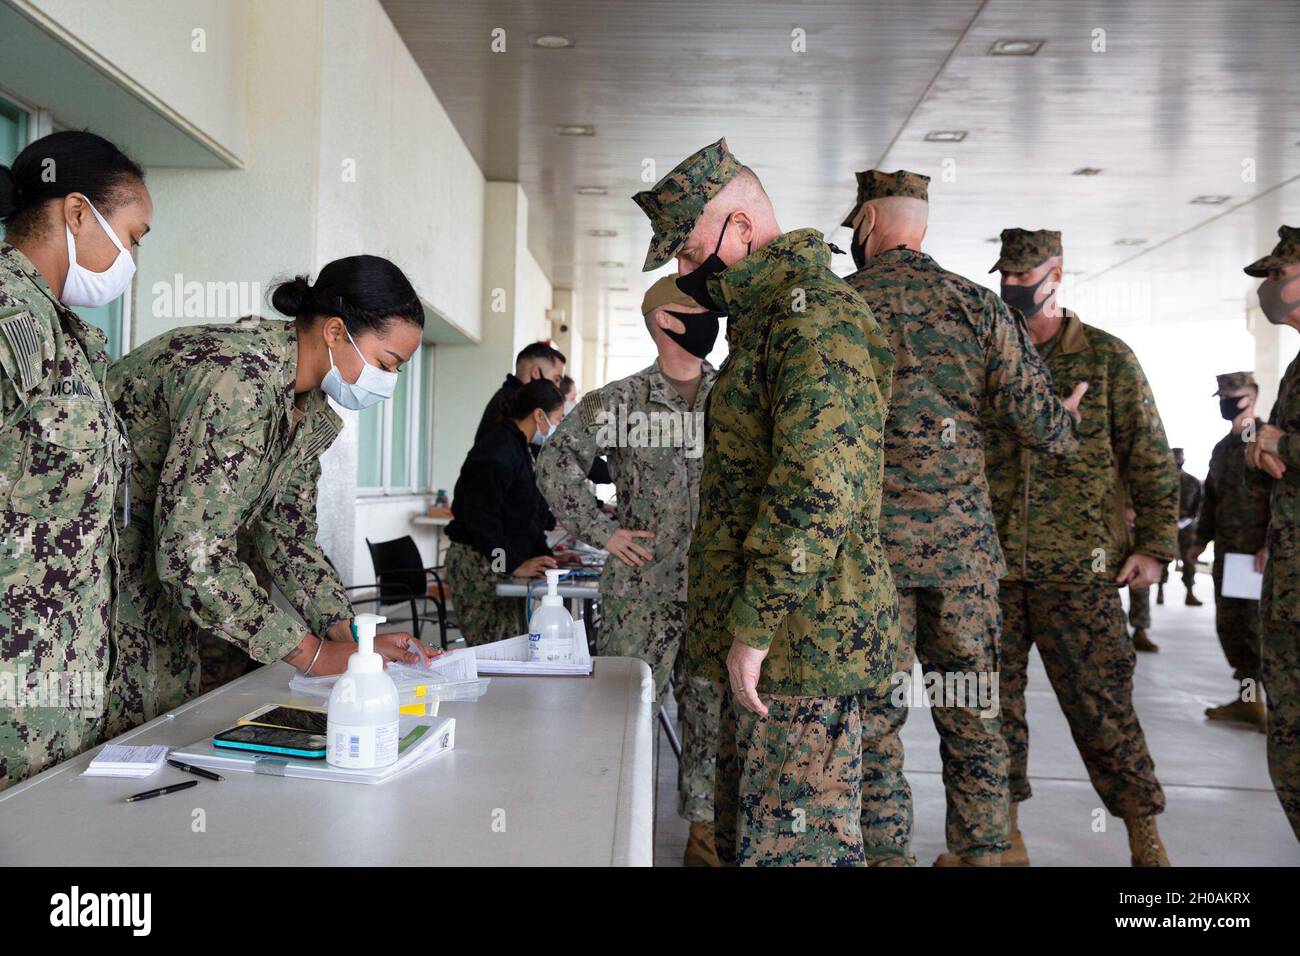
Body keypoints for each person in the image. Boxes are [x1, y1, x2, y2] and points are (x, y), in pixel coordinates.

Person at [634, 138, 899, 866]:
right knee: (753, 840)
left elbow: (819, 488)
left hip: (801, 644)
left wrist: (752, 626)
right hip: (774, 643)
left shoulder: (811, 320)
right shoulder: (770, 317)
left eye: (689, 253)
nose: (687, 275)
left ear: (742, 230)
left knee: (794, 850)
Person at [840, 169, 1083, 866]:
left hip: (868, 559)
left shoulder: (839, 305)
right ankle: (981, 855)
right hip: (964, 560)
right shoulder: (979, 307)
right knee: (974, 713)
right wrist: (1059, 416)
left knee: (875, 722)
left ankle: (886, 858)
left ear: (867, 224)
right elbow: (1044, 429)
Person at [105, 256, 434, 735]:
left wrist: (351, 636)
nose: (388, 382)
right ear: (337, 332)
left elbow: (288, 534)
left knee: (167, 731)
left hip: (157, 586)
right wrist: (315, 655)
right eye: (387, 364)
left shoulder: (306, 404)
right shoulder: (239, 380)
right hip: (102, 576)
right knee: (117, 745)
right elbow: (192, 556)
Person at [985, 228, 1178, 866]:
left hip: (1083, 572)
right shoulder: (990, 352)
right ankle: (1002, 837)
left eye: (1027, 275)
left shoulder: (1105, 357)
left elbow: (1149, 457)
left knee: (1103, 709)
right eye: (1007, 277)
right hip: (997, 571)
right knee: (989, 715)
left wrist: (1154, 544)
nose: (1015, 288)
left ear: (1057, 273)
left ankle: (1143, 835)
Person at [539, 275, 724, 866]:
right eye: (697, 309)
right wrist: (601, 532)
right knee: (630, 713)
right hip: (642, 589)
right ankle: (624, 836)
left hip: (719, 586)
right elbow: (556, 462)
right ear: (665, 319)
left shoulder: (734, 397)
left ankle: (705, 835)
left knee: (712, 710)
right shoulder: (618, 401)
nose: (710, 319)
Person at [0, 131, 148, 789]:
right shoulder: (11, 318)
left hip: (57, 691)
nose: (132, 256)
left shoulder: (72, 341)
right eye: (134, 236)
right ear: (78, 213)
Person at [1243, 225, 1300, 839]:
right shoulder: (1297, 367)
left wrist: (1286, 444)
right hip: (1289, 589)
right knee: (1288, 742)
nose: (1268, 289)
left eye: (1278, 276)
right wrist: (1266, 453)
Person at [445, 379, 562, 645]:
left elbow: (526, 515)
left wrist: (547, 558)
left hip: (498, 562)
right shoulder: (496, 451)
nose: (560, 426)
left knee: (516, 645)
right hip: (479, 566)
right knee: (496, 651)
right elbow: (482, 522)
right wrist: (511, 565)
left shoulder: (521, 448)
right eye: (559, 417)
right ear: (538, 414)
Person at [1187, 373, 1270, 729]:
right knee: (1233, 629)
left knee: (1257, 632)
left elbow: (1286, 499)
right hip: (1228, 554)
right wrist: (1199, 539)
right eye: (1221, 395)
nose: (1226, 402)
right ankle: (1249, 701)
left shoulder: (1268, 441)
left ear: (1251, 397)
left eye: (1232, 395)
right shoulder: (1223, 447)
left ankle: (1274, 706)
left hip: (1257, 556)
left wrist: (1271, 544)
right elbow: (1212, 499)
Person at [474, 342, 566, 443]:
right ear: (536, 373)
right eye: (556, 379)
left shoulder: (510, 399)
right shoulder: (512, 405)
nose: (558, 388)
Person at [1175, 448, 1204, 605]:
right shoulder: (1163, 480)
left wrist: (1189, 521)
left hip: (1187, 527)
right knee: (1160, 558)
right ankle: (1159, 591)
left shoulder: (1192, 481)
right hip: (1166, 526)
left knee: (1189, 560)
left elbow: (1200, 505)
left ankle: (1190, 592)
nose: (1178, 461)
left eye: (1180, 458)